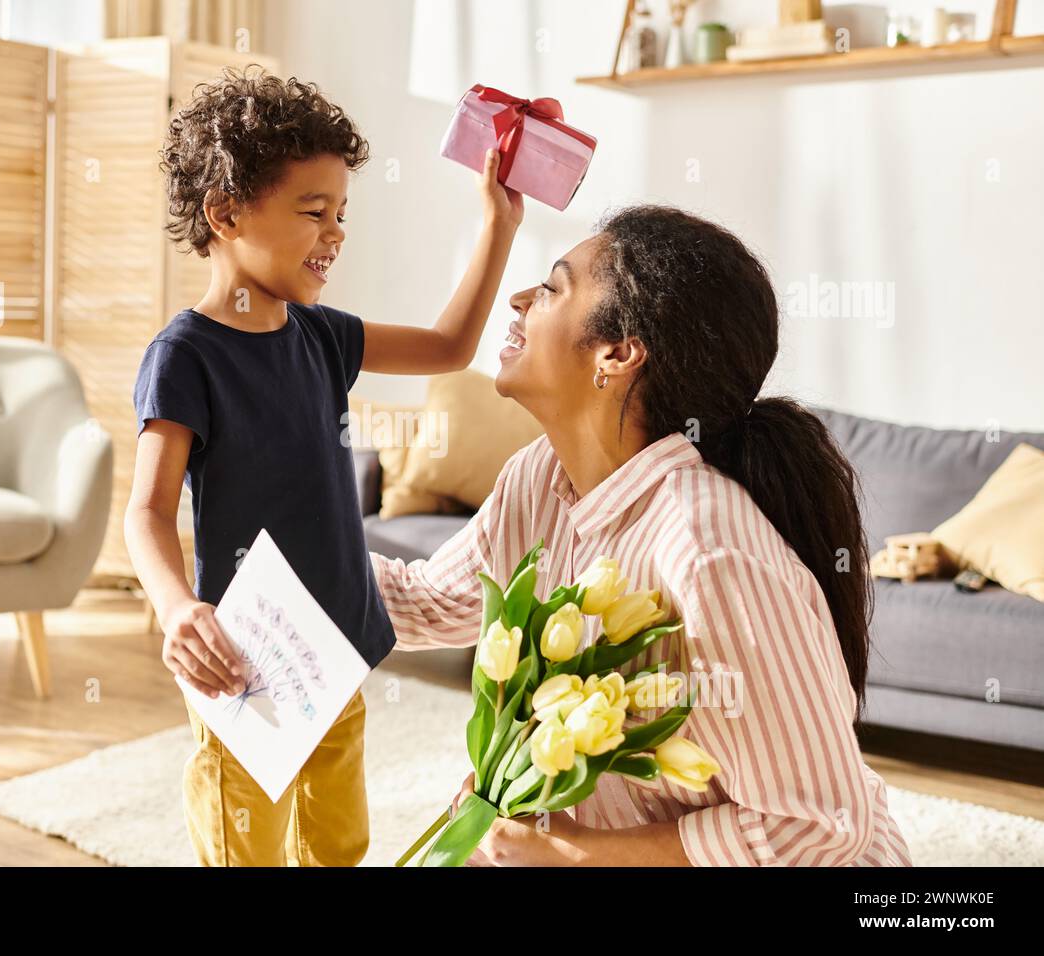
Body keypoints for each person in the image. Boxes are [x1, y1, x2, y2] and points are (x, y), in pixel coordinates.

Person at [374, 205, 914, 866]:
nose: (518, 300)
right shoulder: (537, 478)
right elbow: (428, 603)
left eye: (550, 288)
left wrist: (578, 850)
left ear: (618, 353)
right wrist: (254, 534)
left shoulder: (707, 548)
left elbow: (818, 827)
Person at [125, 67, 522, 866]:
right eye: (314, 213)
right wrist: (176, 611)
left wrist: (499, 229)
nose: (336, 234)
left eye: (341, 213)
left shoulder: (323, 336)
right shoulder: (185, 358)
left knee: (340, 845)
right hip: (244, 668)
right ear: (226, 213)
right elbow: (146, 511)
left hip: (334, 654)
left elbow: (449, 347)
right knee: (250, 852)